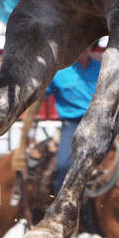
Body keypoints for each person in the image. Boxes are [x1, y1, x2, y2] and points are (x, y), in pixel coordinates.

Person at [48, 48, 101, 191]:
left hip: (100, 122)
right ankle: (61, 205)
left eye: (88, 44)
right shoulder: (59, 71)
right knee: (63, 165)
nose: (83, 48)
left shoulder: (102, 68)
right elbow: (39, 96)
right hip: (72, 125)